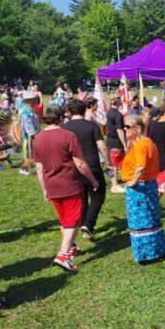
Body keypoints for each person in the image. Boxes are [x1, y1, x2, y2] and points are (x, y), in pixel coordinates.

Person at [33, 105, 99, 272]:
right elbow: (81, 164)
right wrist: (93, 181)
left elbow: (39, 167)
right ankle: (63, 255)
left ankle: (71, 247)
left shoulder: (38, 138)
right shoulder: (68, 136)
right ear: (62, 118)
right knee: (72, 220)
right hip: (69, 185)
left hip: (51, 184)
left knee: (64, 219)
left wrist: (44, 189)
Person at [120, 114, 165, 264]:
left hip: (140, 187)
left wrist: (132, 182)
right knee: (152, 218)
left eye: (127, 127)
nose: (124, 129)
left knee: (141, 221)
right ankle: (158, 250)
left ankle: (147, 255)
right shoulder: (146, 142)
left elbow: (140, 167)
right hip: (149, 184)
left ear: (137, 128)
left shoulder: (141, 145)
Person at [62, 99, 108, 242]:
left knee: (81, 197)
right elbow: (102, 146)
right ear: (84, 110)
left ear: (70, 112)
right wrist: (109, 162)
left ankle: (83, 223)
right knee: (98, 195)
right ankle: (88, 224)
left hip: (73, 168)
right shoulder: (91, 126)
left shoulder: (64, 127)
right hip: (92, 165)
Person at [105, 92, 127, 194]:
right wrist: (125, 144)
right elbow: (119, 130)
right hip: (116, 141)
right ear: (117, 100)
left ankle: (113, 182)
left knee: (111, 164)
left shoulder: (109, 111)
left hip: (109, 140)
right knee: (115, 165)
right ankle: (114, 185)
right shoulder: (118, 114)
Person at [18, 91, 41, 175]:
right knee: (28, 152)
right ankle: (23, 169)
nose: (35, 100)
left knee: (32, 151)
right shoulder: (25, 111)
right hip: (28, 136)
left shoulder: (31, 110)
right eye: (33, 99)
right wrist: (33, 133)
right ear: (28, 100)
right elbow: (27, 123)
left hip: (34, 134)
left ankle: (27, 167)